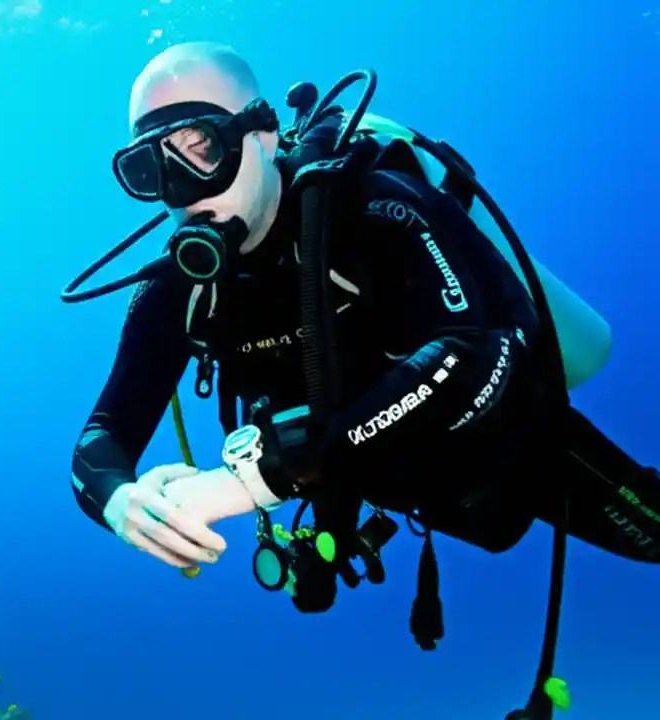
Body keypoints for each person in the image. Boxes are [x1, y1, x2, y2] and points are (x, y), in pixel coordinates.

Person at [61, 39, 659, 684]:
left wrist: (250, 483)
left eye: (201, 147)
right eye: (151, 170)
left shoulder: (373, 208)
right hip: (399, 485)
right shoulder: (182, 292)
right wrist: (118, 502)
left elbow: (475, 349)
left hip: (518, 448)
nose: (181, 190)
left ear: (262, 135)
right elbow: (103, 438)